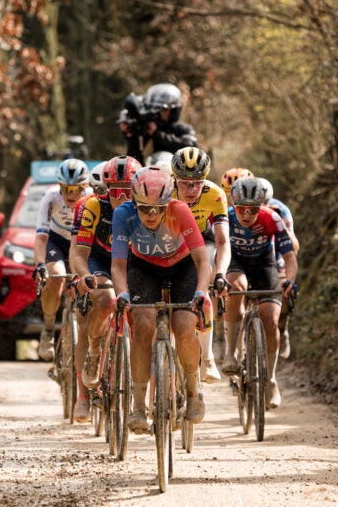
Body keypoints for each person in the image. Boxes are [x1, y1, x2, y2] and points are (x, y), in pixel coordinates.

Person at [111, 166, 212, 434]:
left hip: (182, 268)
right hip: (144, 268)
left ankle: (192, 391)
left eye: (159, 208)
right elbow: (118, 265)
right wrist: (122, 293)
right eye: (145, 208)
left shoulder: (180, 210)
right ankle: (138, 406)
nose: (152, 214)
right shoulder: (123, 214)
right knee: (143, 325)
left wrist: (201, 292)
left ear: (168, 203)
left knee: (184, 327)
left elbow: (203, 261)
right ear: (134, 203)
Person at [220, 176, 298, 411]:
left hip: (265, 265)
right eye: (241, 208)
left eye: (253, 209)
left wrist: (290, 281)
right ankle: (231, 353)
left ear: (261, 206)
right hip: (236, 262)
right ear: (234, 205)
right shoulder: (225, 218)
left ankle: (271, 379)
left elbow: (290, 257)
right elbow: (217, 248)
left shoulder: (272, 218)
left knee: (270, 319)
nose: (246, 214)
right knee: (236, 288)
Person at [71, 156, 141, 395]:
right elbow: (79, 253)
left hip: (132, 262)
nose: (121, 198)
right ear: (106, 189)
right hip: (100, 259)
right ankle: (94, 351)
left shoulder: (145, 207)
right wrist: (84, 275)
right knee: (104, 299)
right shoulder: (93, 206)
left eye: (127, 192)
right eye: (115, 191)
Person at [32, 159, 93, 408]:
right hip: (57, 241)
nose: (71, 195)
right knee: (55, 276)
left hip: (82, 242)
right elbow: (40, 238)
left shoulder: (91, 200)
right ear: (59, 187)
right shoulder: (50, 199)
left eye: (76, 189)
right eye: (66, 189)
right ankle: (48, 329)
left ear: (85, 187)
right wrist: (40, 265)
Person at [171, 146, 231, 384]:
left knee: (203, 284)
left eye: (197, 183)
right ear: (174, 178)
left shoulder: (215, 194)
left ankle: (207, 357)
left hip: (202, 241)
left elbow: (223, 241)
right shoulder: (164, 191)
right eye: (184, 183)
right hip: (171, 241)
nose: (191, 189)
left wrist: (221, 272)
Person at [259, 177, 300, 360]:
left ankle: (282, 328)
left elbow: (292, 245)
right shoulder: (244, 209)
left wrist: (281, 227)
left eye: (264, 204)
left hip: (276, 255)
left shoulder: (281, 210)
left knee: (284, 289)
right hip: (253, 256)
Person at [120, 83, 199, 161]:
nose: (160, 113)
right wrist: (131, 137)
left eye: (164, 110)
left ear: (173, 111)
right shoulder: (146, 129)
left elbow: (191, 147)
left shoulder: (182, 129)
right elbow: (134, 161)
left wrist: (156, 134)